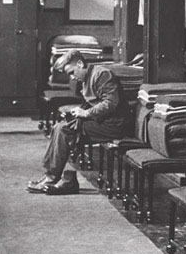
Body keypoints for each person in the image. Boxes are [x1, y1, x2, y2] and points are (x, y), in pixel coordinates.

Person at [27, 50, 130, 195]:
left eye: (71, 72)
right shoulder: (88, 77)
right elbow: (92, 101)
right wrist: (78, 112)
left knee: (64, 130)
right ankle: (62, 178)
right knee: (61, 126)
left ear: (80, 63)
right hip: (102, 121)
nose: (72, 77)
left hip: (114, 125)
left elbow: (111, 103)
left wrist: (86, 113)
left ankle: (54, 177)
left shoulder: (101, 74)